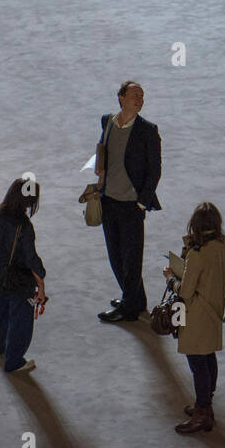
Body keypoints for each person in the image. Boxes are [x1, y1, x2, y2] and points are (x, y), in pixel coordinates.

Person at [94, 81, 162, 322]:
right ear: (121, 98)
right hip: (109, 200)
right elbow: (102, 150)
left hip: (131, 205)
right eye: (134, 95)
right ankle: (135, 299)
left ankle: (129, 308)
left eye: (142, 95)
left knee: (131, 260)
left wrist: (142, 203)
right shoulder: (108, 122)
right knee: (115, 255)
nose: (140, 99)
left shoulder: (148, 130)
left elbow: (154, 171)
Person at [165, 202, 225, 434]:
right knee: (208, 354)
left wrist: (171, 278)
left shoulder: (197, 254)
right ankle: (207, 404)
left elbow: (185, 292)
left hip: (196, 314)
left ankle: (202, 411)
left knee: (197, 362)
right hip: (215, 308)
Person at [0, 177, 47, 375]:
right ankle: (14, 362)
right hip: (18, 280)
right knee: (21, 321)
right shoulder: (25, 227)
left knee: (1, 310)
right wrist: (41, 282)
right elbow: (31, 259)